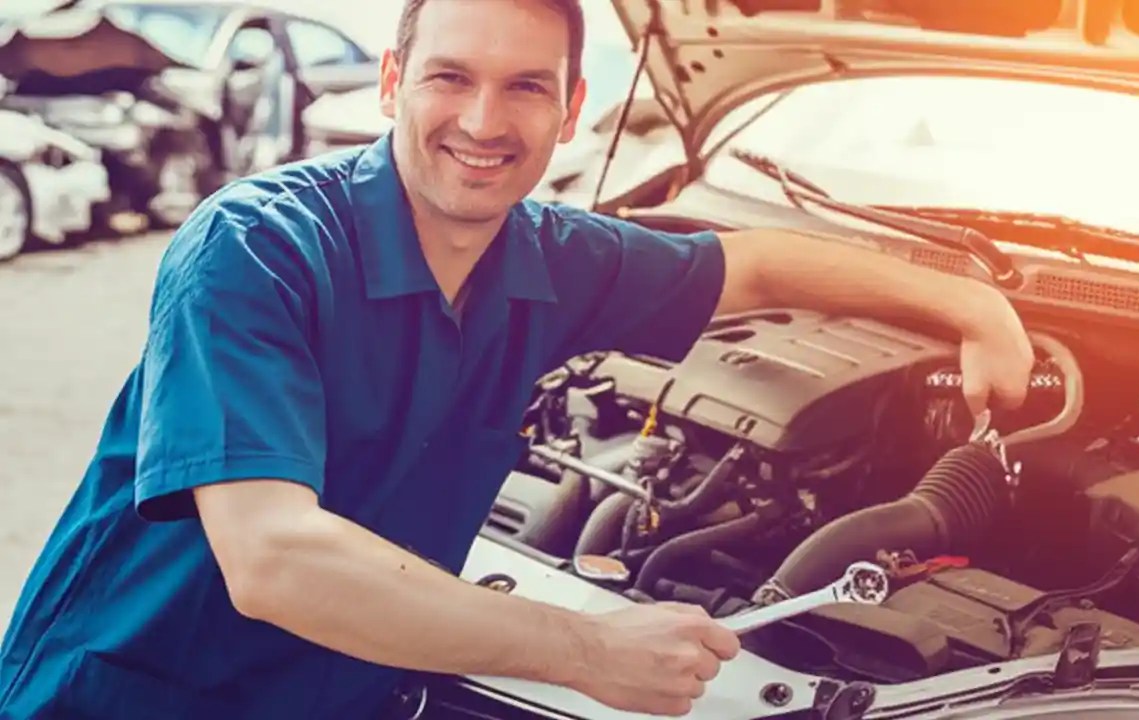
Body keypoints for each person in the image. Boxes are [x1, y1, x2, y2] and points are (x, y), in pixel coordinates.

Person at [0, 0, 1034, 718]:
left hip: (351, 688)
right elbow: (273, 558)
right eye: (450, 77)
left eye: (525, 88)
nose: (484, 123)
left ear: (570, 108)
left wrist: (969, 303)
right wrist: (585, 650)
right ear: (393, 83)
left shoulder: (547, 256)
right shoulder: (260, 246)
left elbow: (755, 268)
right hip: (135, 694)